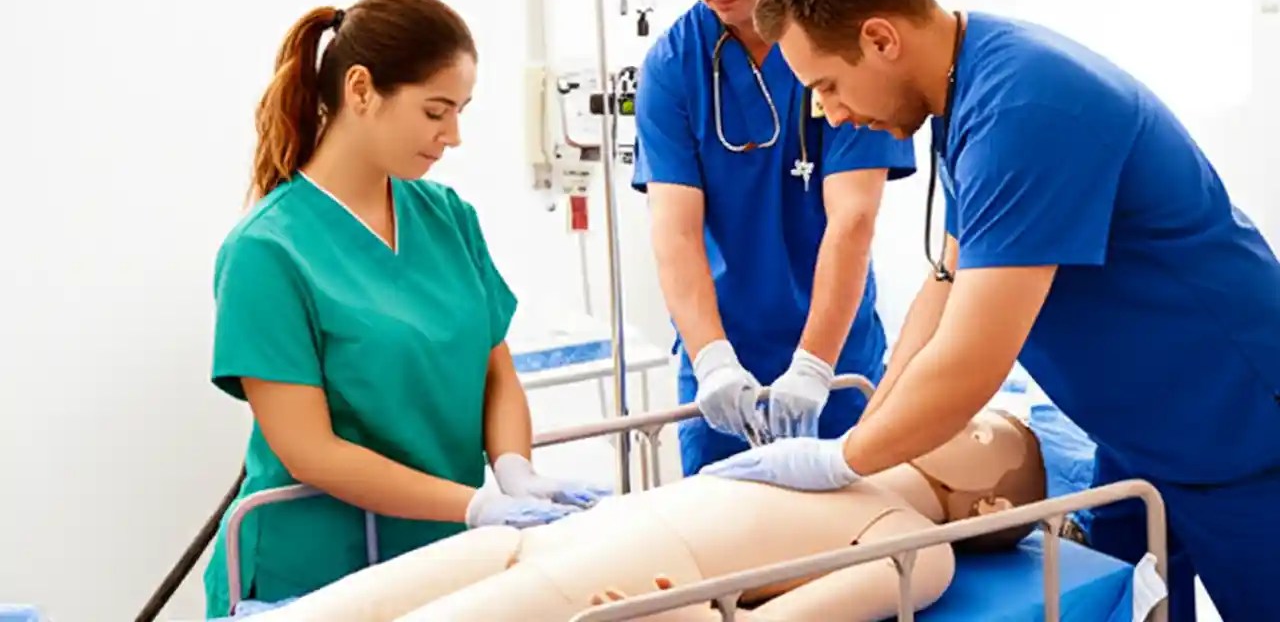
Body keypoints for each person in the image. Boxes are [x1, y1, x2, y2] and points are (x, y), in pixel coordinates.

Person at [700, 0, 1280, 622]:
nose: (831, 113)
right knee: (1126, 595)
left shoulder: (1026, 107)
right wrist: (864, 437)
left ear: (881, 39)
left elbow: (972, 360)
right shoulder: (968, 88)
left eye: (827, 85)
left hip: (1237, 426)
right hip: (1142, 432)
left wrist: (842, 461)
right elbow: (945, 289)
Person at [203, 0, 606, 617]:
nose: (453, 136)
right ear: (360, 90)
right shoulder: (266, 252)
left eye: (461, 111)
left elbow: (494, 370)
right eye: (436, 111)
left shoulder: (448, 218)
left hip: (443, 557)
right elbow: (309, 450)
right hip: (314, 570)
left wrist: (513, 469)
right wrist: (473, 504)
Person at [223, 408, 1049, 622]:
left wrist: (677, 610)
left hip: (613, 575)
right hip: (555, 535)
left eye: (983, 428)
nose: (958, 413)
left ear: (993, 505)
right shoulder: (841, 453)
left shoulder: (919, 549)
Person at [633, 0, 916, 476]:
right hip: (721, 372)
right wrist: (711, 361)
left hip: (836, 364)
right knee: (722, 549)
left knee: (857, 544)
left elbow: (852, 220)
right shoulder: (672, 66)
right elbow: (676, 232)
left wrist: (813, 365)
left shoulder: (841, 48)